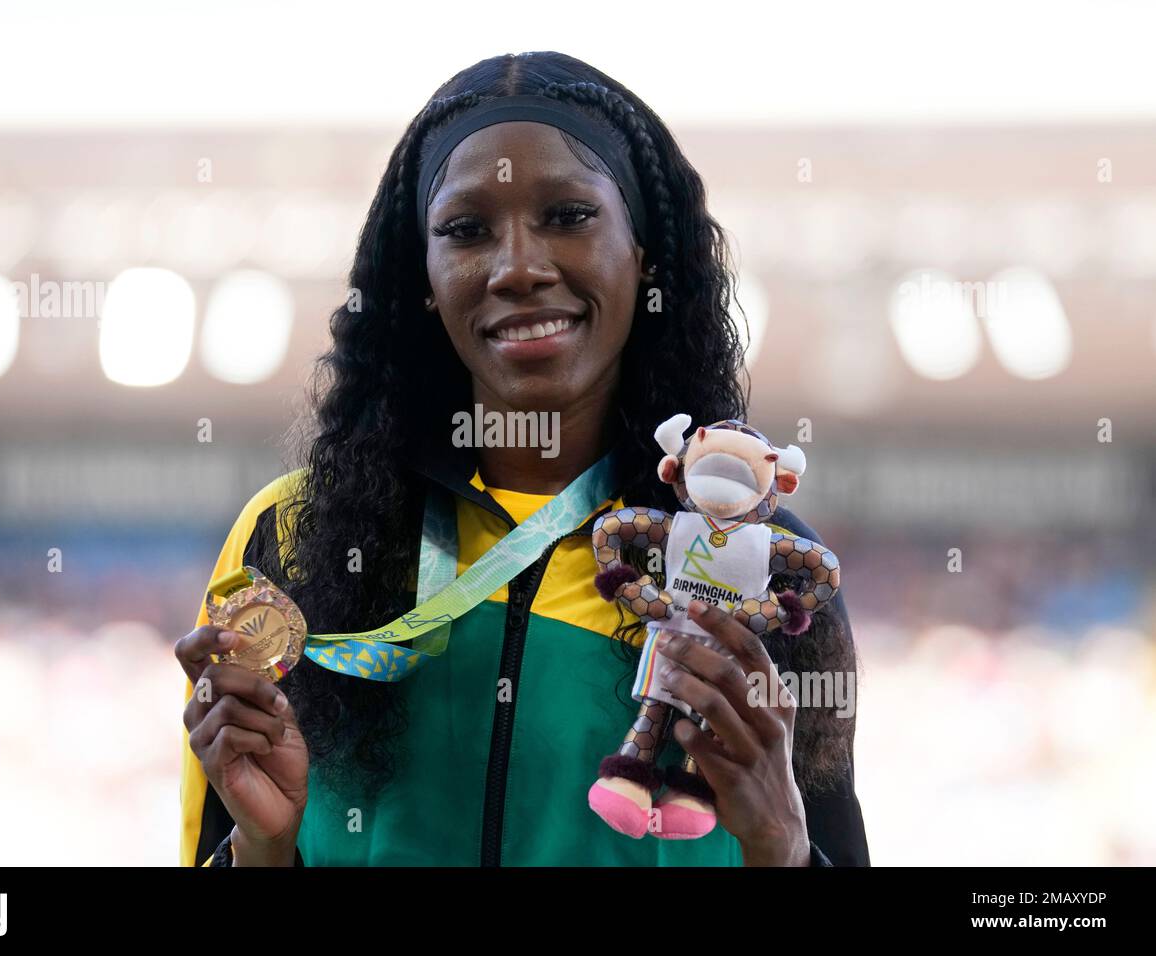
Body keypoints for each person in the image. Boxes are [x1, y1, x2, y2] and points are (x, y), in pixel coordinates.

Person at [178, 50, 869, 867]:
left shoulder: (758, 565)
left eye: (568, 215)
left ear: (644, 252)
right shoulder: (288, 538)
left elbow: (822, 844)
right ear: (425, 278)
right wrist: (263, 847)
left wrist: (784, 846)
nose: (519, 268)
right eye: (467, 231)